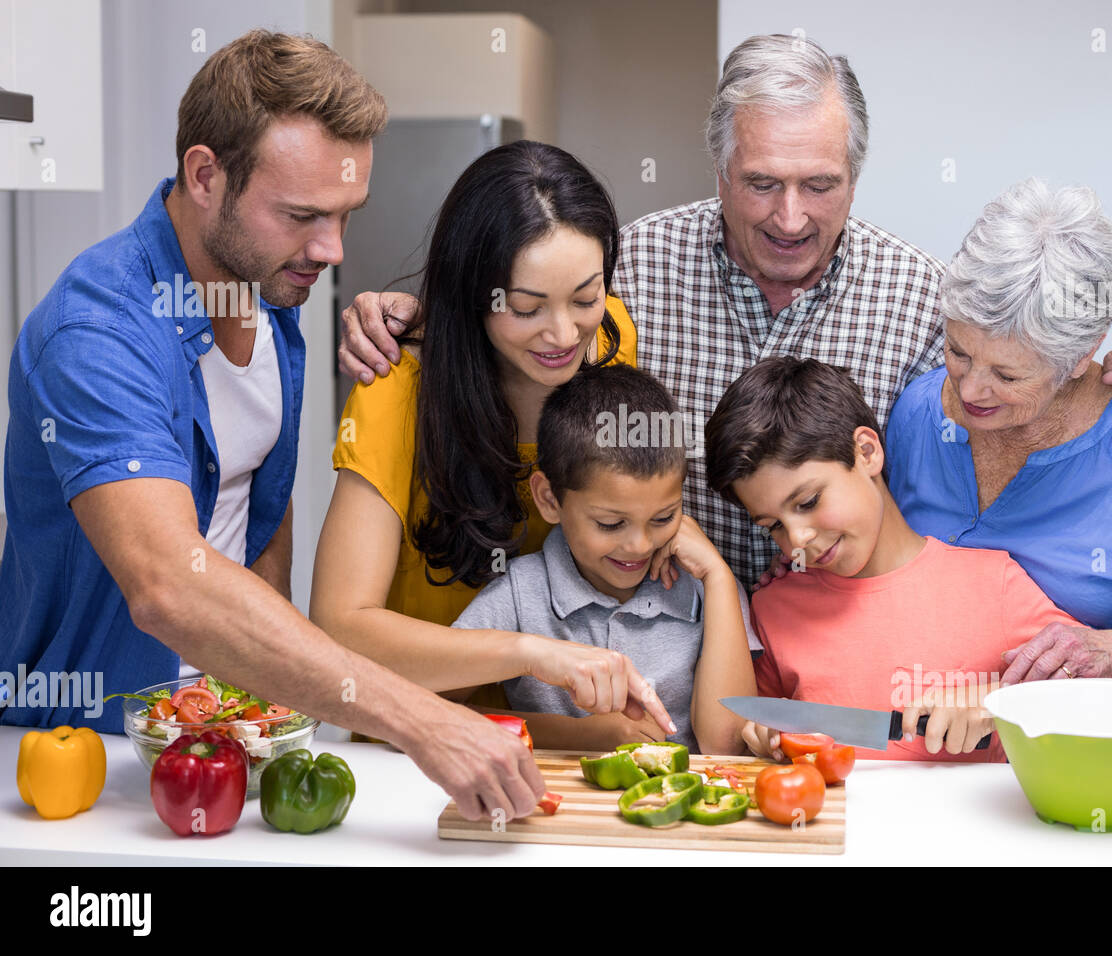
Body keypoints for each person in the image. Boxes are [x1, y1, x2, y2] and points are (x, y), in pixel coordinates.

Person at [0, 31, 645, 822]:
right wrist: (420, 718)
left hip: (234, 741)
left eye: (345, 216)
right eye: (303, 215)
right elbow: (169, 585)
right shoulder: (96, 334)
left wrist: (271, 716)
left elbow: (257, 515)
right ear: (206, 176)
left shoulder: (268, 296)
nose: (333, 251)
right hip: (90, 757)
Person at [336, 34, 1112, 591]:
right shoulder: (626, 270)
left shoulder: (927, 300)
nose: (791, 218)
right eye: (761, 184)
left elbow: (1017, 396)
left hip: (841, 668)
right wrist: (419, 312)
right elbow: (522, 328)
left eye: (820, 185)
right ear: (718, 169)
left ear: (856, 176)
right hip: (658, 662)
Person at [311, 141, 673, 747]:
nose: (564, 334)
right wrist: (529, 653)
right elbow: (340, 629)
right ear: (472, 298)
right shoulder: (397, 391)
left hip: (558, 734)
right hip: (415, 741)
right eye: (527, 309)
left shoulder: (609, 342)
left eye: (586, 298)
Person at [885, 179, 1112, 690]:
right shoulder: (917, 415)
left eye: (1008, 376)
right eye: (958, 351)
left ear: (1083, 356)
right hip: (933, 753)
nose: (970, 388)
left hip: (1084, 753)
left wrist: (1110, 651)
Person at [705, 356, 1080, 762]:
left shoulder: (996, 586)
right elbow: (750, 737)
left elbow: (1107, 695)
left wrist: (1000, 700)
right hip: (837, 824)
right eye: (772, 525)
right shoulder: (773, 608)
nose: (797, 539)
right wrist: (766, 740)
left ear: (866, 452)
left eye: (808, 501)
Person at [451, 365, 757, 754]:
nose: (640, 546)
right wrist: (581, 736)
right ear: (549, 499)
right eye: (611, 523)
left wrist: (717, 578)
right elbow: (429, 707)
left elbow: (726, 745)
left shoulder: (706, 587)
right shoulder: (519, 591)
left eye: (664, 518)